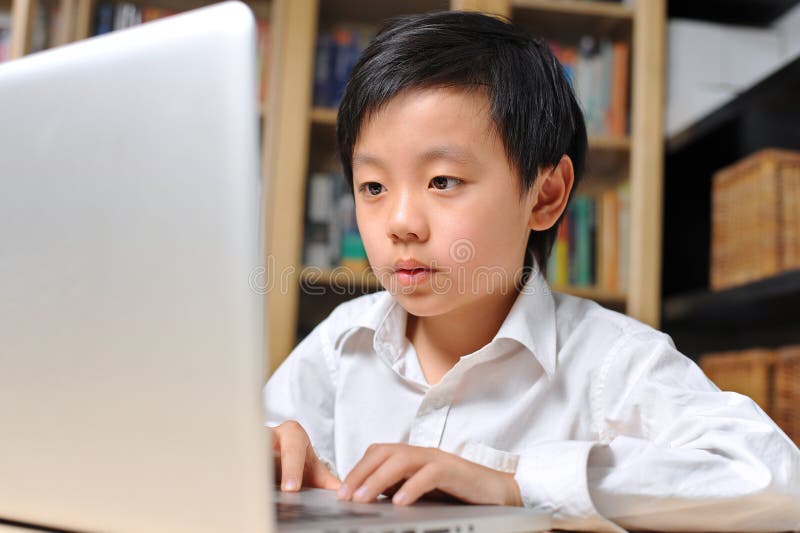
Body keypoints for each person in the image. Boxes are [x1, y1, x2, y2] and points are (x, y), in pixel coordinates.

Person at [264, 10, 800, 532]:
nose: (400, 224)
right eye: (373, 187)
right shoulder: (339, 346)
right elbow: (252, 452)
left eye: (443, 181)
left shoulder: (613, 363)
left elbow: (777, 483)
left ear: (545, 196)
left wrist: (514, 484)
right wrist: (264, 451)